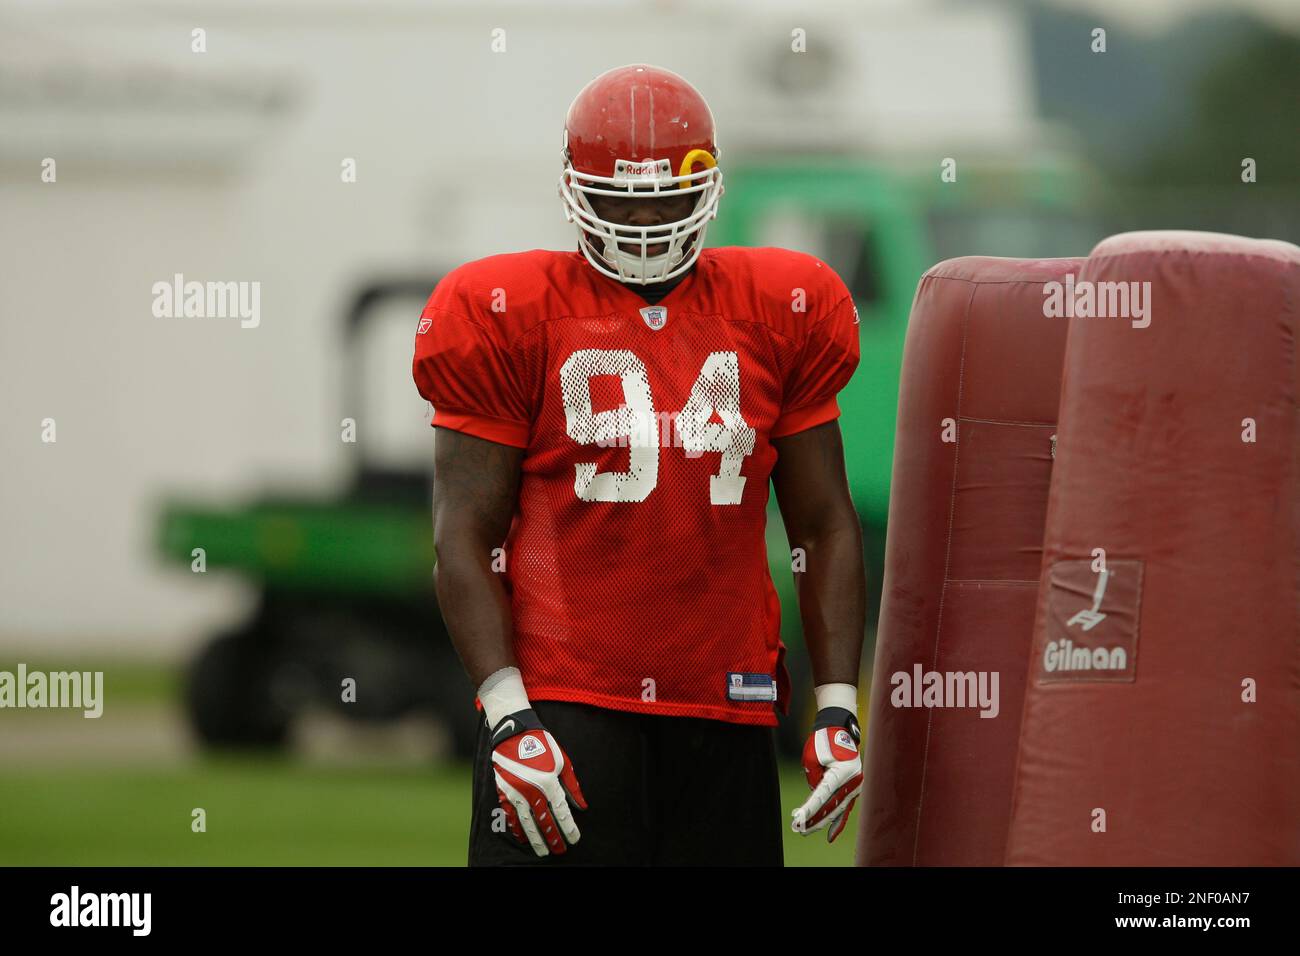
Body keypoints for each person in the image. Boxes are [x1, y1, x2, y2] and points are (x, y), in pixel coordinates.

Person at [413, 64, 866, 866]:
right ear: (575, 190)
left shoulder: (780, 311)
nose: (647, 219)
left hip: (727, 706)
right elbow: (462, 534)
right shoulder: (506, 315)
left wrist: (836, 704)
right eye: (620, 196)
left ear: (710, 189)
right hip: (565, 708)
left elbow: (824, 522)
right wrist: (507, 711)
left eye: (668, 197)